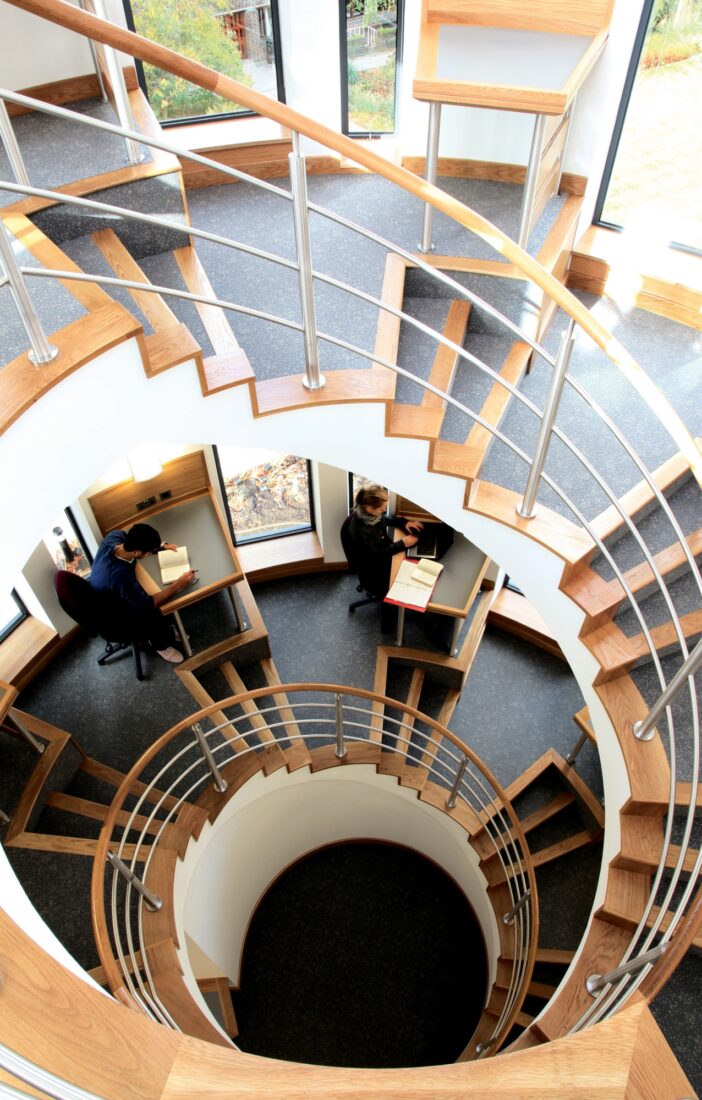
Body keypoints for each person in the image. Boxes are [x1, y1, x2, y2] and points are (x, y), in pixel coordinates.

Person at [90, 522, 197, 664]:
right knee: (152, 612)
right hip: (112, 611)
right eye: (148, 552)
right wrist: (178, 585)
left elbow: (136, 543)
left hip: (106, 589)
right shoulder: (119, 577)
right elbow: (148, 604)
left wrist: (161, 546)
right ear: (137, 553)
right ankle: (160, 644)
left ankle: (167, 632)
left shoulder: (115, 537)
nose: (149, 554)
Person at [347, 484, 423, 601]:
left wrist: (404, 523)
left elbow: (385, 519)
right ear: (370, 508)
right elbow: (376, 554)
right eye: (382, 508)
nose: (384, 510)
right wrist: (402, 543)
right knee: (405, 574)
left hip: (382, 551)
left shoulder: (371, 515)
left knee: (408, 563)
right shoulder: (361, 530)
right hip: (373, 565)